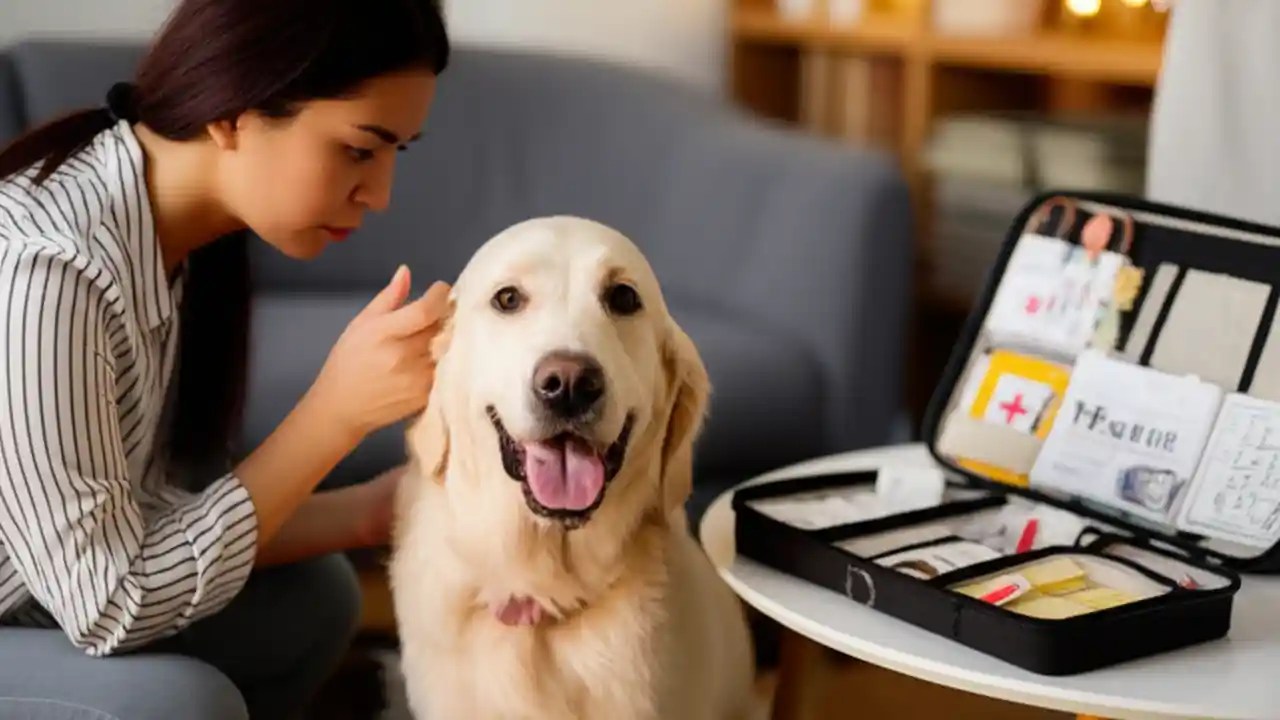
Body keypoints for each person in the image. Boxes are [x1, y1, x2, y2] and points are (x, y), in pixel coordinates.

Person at [0, 0, 452, 717]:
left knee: (314, 601)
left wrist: (372, 512)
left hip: (39, 590)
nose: (381, 194)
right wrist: (333, 414)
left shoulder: (172, 240)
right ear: (233, 112)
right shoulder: (52, 269)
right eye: (360, 149)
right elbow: (109, 601)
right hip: (54, 601)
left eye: (398, 151)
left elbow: (143, 519)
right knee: (184, 702)